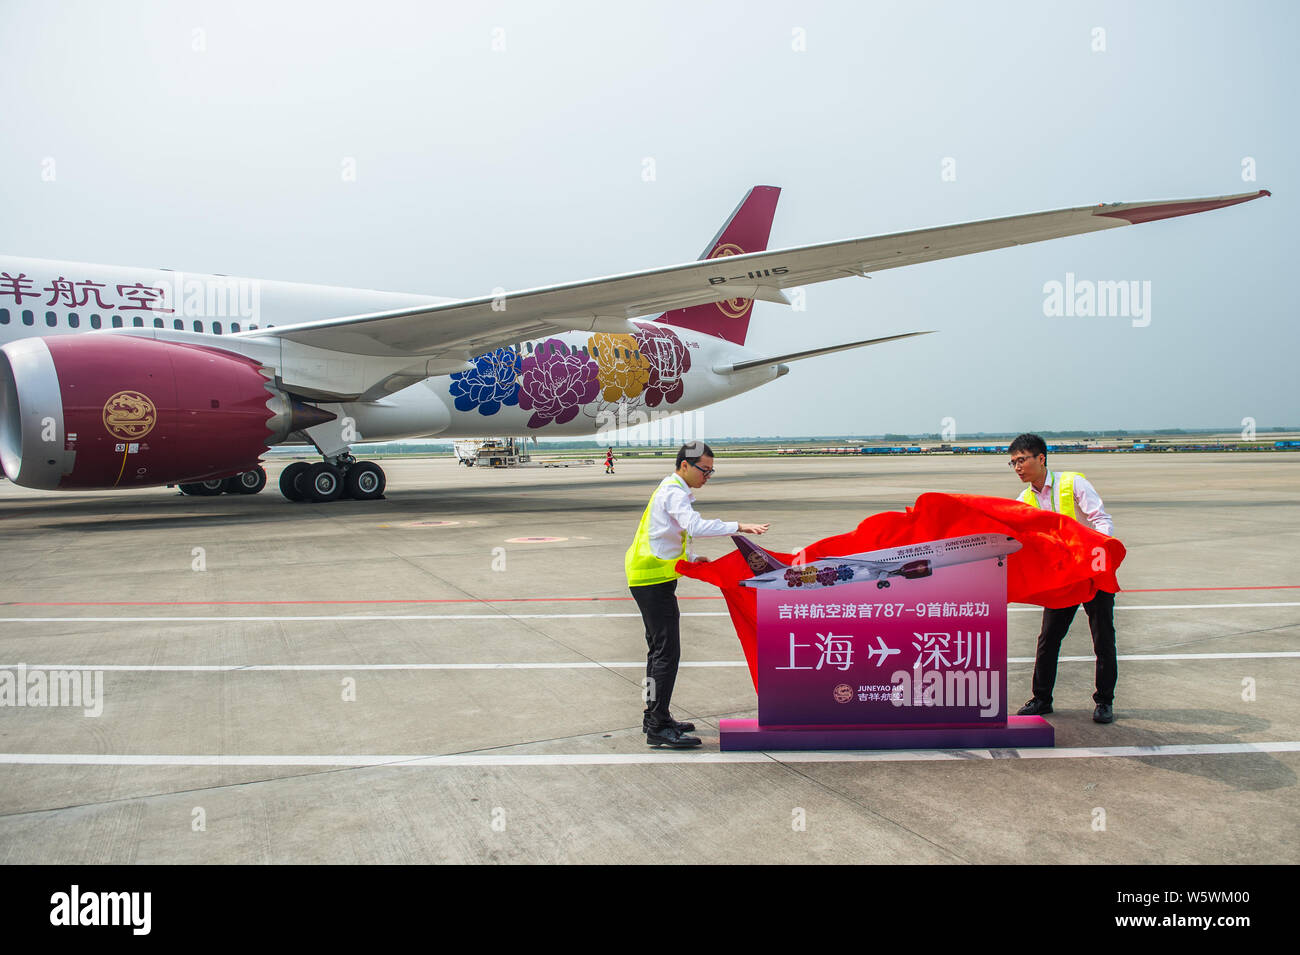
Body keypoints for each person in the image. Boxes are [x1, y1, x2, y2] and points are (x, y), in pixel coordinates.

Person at [624, 441, 769, 748]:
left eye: (711, 470)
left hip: (650, 576)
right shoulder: (673, 492)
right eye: (705, 470)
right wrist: (739, 526)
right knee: (667, 653)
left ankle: (654, 717)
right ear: (685, 466)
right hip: (652, 581)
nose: (708, 476)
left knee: (657, 652)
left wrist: (690, 559)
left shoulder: (671, 489)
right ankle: (658, 725)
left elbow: (668, 533)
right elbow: (694, 524)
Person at [1008, 433, 1118, 723]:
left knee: (1103, 639)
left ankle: (1104, 702)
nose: (1018, 467)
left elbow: (1101, 520)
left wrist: (1094, 556)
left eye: (1022, 460)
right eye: (1013, 463)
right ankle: (1042, 698)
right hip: (1063, 578)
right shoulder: (1025, 499)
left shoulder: (1073, 484)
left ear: (1041, 458)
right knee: (1048, 639)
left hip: (1093, 574)